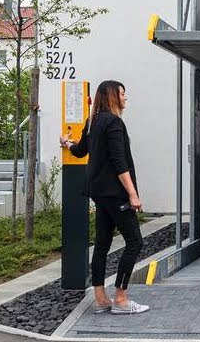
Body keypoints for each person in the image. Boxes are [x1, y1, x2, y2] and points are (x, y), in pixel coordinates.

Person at [60, 80, 149, 315]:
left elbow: (81, 151)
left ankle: (100, 298)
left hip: (99, 193)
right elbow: (119, 162)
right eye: (122, 93)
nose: (125, 97)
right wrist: (133, 194)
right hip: (116, 193)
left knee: (102, 245)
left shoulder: (93, 121)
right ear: (112, 97)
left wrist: (67, 142)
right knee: (135, 242)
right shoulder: (114, 123)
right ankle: (120, 298)